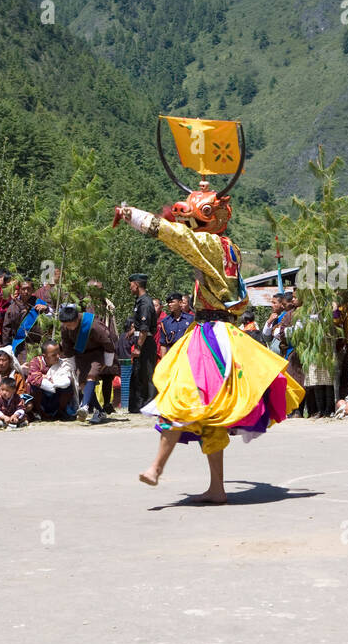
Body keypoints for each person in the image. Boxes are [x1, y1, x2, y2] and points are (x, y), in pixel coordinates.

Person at [113, 178, 303, 504]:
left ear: (213, 217)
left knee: (180, 396)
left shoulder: (210, 245)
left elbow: (171, 233)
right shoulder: (231, 248)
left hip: (210, 338)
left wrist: (130, 213)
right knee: (207, 410)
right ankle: (216, 487)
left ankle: (158, 467)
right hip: (224, 333)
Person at [57, 303, 118, 424]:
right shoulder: (65, 327)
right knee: (83, 384)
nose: (68, 327)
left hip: (97, 352)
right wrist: (71, 363)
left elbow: (107, 341)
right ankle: (100, 411)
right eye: (66, 325)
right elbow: (67, 345)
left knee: (91, 375)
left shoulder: (92, 324)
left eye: (70, 324)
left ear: (76, 319)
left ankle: (84, 406)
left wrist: (108, 361)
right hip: (80, 354)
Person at [127, 274, 157, 415]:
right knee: (138, 373)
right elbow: (140, 325)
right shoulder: (139, 301)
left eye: (131, 284)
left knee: (147, 374)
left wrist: (138, 347)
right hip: (141, 339)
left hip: (145, 343)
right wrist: (132, 331)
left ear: (137, 285)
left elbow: (145, 329)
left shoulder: (145, 303)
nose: (130, 287)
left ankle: (149, 405)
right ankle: (138, 405)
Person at [26, 341, 76, 421]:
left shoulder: (62, 363)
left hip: (56, 395)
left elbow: (67, 380)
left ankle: (60, 411)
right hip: (42, 397)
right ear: (44, 356)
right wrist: (50, 381)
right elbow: (35, 379)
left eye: (58, 353)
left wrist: (50, 380)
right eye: (53, 355)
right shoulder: (36, 362)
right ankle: (40, 413)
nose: (58, 356)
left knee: (68, 387)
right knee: (33, 386)